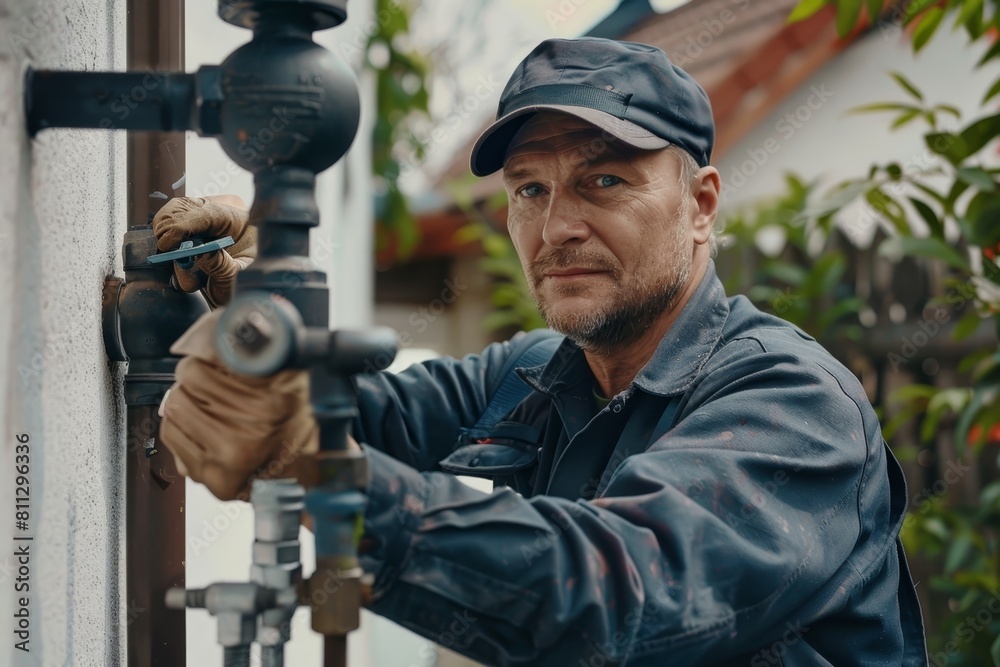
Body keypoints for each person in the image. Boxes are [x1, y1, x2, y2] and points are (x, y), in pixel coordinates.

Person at [154, 37, 928, 665]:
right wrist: (257, 299)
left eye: (603, 180)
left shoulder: (795, 405)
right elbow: (350, 418)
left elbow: (620, 594)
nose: (556, 228)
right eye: (530, 189)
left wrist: (321, 472)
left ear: (701, 205)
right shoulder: (536, 374)